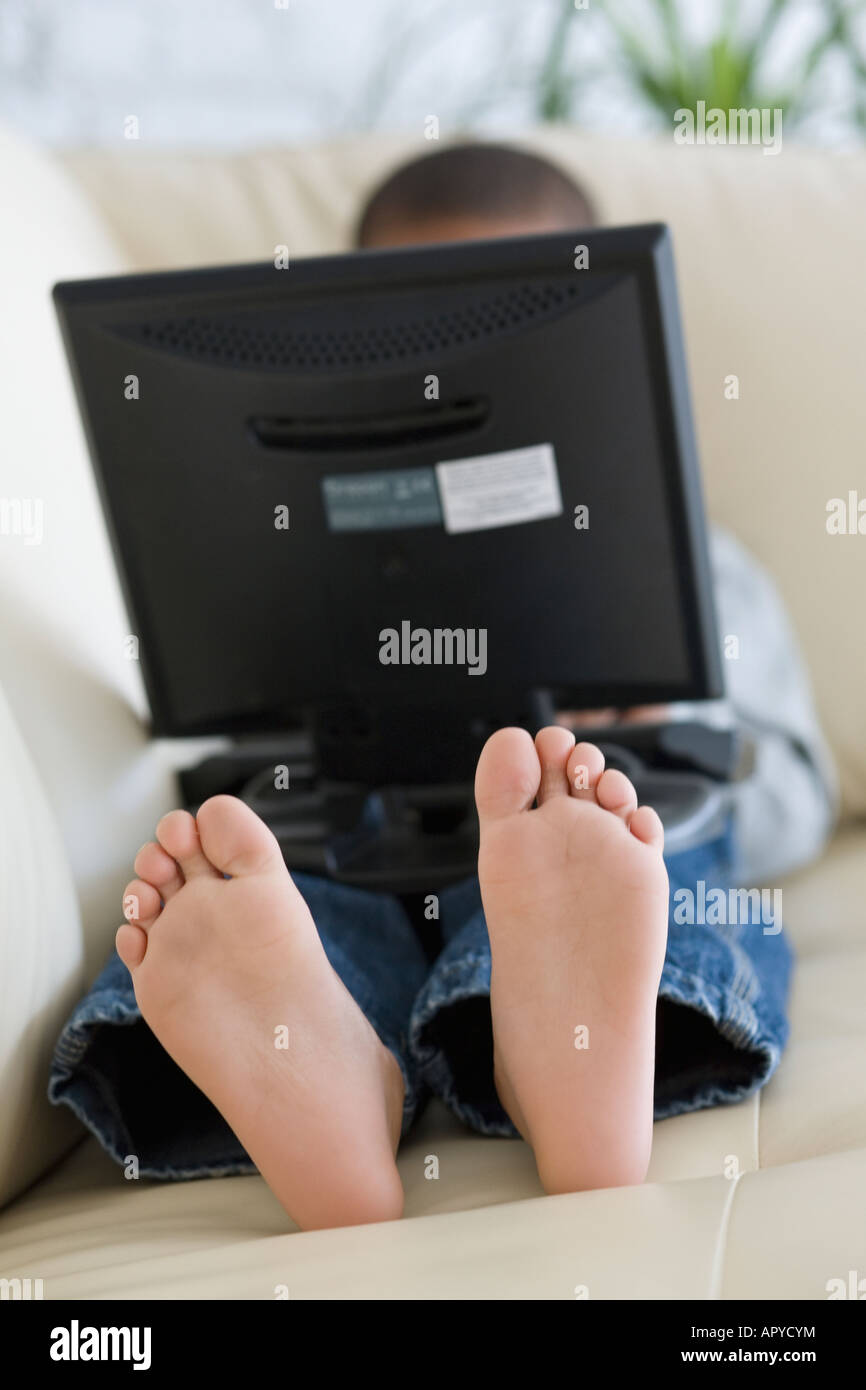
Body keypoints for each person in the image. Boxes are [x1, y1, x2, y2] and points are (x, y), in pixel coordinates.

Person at [49, 141, 836, 1232]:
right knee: (276, 904)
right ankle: (327, 1070)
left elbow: (796, 783)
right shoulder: (288, 550)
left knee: (638, 845)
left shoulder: (697, 561)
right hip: (342, 830)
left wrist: (660, 717)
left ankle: (552, 1047)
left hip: (584, 819)